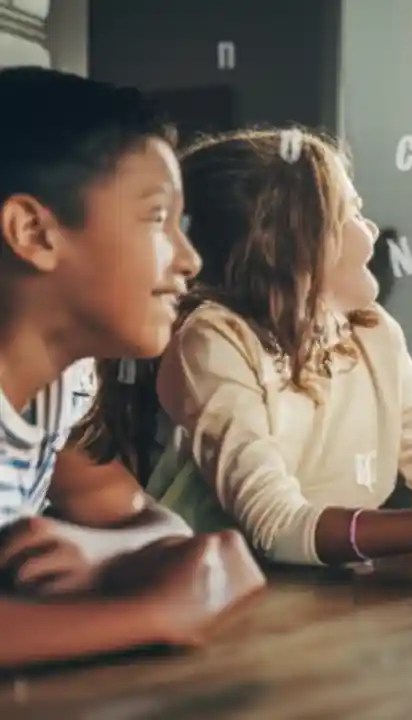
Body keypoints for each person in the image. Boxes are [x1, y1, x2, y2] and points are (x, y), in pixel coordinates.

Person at [94, 128, 412, 566]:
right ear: (295, 243)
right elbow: (276, 528)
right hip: (210, 592)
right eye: (354, 213)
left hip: (326, 597)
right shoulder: (214, 340)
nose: (373, 230)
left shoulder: (376, 333)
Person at [0, 67, 262, 667]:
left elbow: (148, 521)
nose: (189, 259)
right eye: (156, 219)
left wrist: (100, 551)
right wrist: (157, 614)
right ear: (35, 232)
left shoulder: (62, 386)